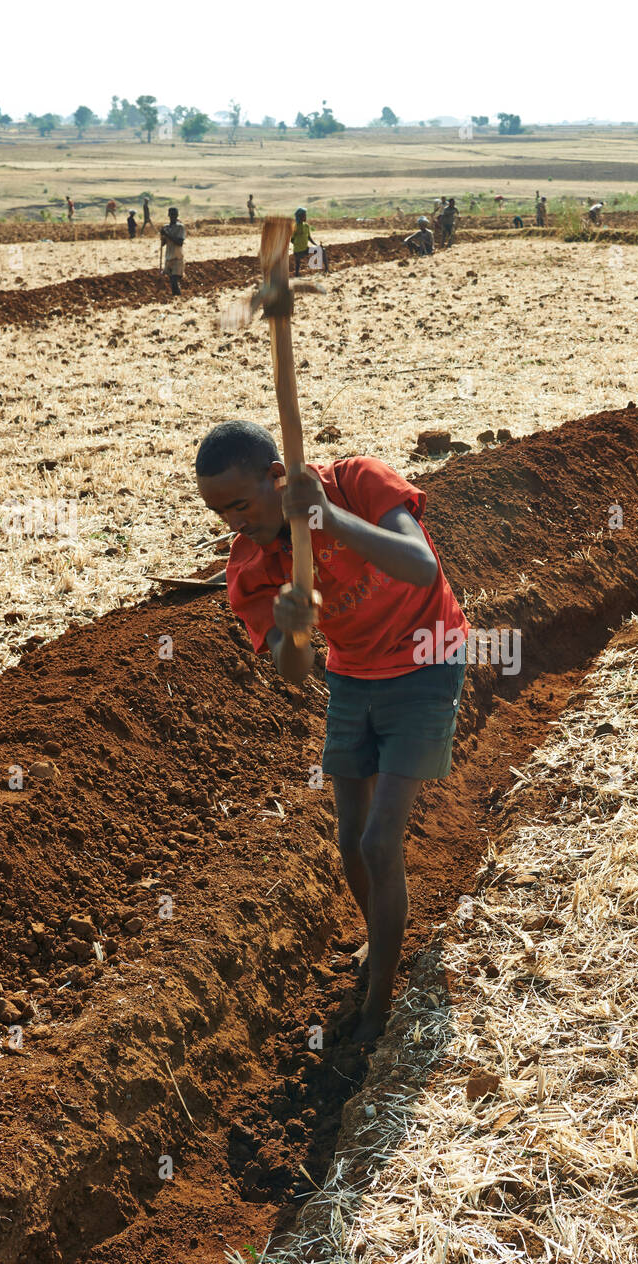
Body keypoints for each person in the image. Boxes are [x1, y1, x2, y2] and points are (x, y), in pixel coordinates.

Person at [195, 420, 470, 1045]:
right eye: (220, 512)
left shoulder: (357, 484)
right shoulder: (253, 566)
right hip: (353, 675)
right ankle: (381, 938)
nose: (234, 523)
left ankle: (380, 1002)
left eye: (240, 504)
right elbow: (293, 672)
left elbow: (422, 567)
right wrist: (293, 632)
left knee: (379, 842)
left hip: (428, 656)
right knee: (349, 839)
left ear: (277, 477)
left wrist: (328, 520)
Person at [160, 206, 186, 296]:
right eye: (171, 214)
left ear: (177, 215)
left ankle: (178, 298)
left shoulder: (180, 228)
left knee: (174, 281)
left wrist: (167, 234)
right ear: (169, 215)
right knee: (172, 283)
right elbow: (163, 243)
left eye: (174, 214)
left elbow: (180, 242)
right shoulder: (166, 227)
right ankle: (176, 298)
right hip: (168, 257)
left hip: (177, 258)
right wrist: (162, 235)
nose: (173, 216)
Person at [291, 206, 324, 276]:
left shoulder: (306, 226)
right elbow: (292, 239)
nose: (306, 217)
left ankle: (326, 269)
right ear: (300, 217)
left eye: (305, 215)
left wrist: (316, 245)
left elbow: (309, 237)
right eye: (304, 215)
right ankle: (297, 274)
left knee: (321, 250)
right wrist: (298, 245)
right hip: (298, 250)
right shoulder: (295, 226)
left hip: (306, 249)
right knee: (298, 262)